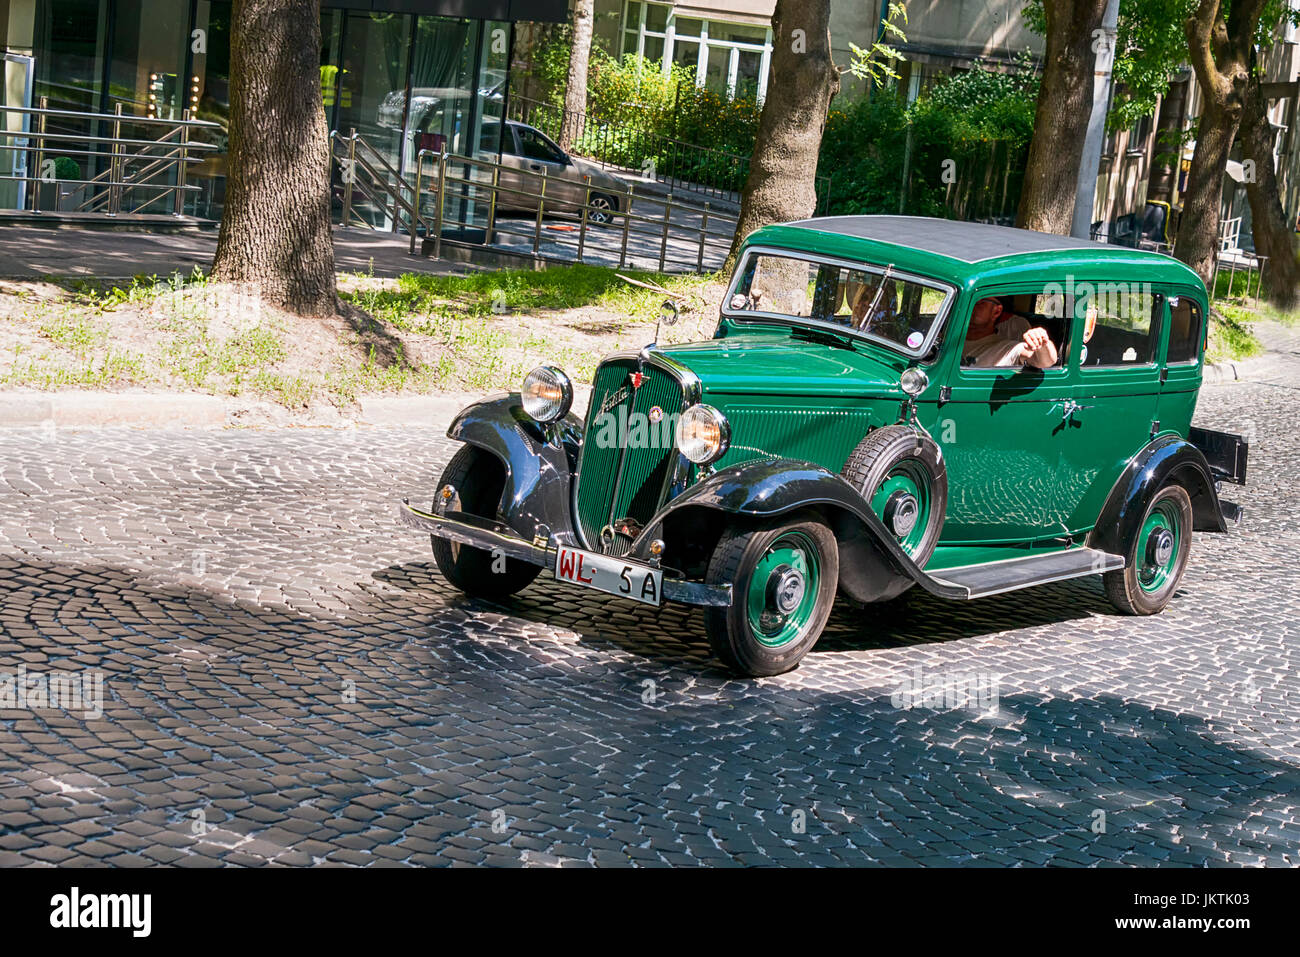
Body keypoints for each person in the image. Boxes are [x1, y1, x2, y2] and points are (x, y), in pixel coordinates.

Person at [962, 297, 1057, 368]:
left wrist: (1042, 342)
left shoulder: (1006, 349)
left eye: (980, 302)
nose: (970, 305)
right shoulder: (948, 337)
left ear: (996, 311)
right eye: (968, 300)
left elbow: (1046, 362)